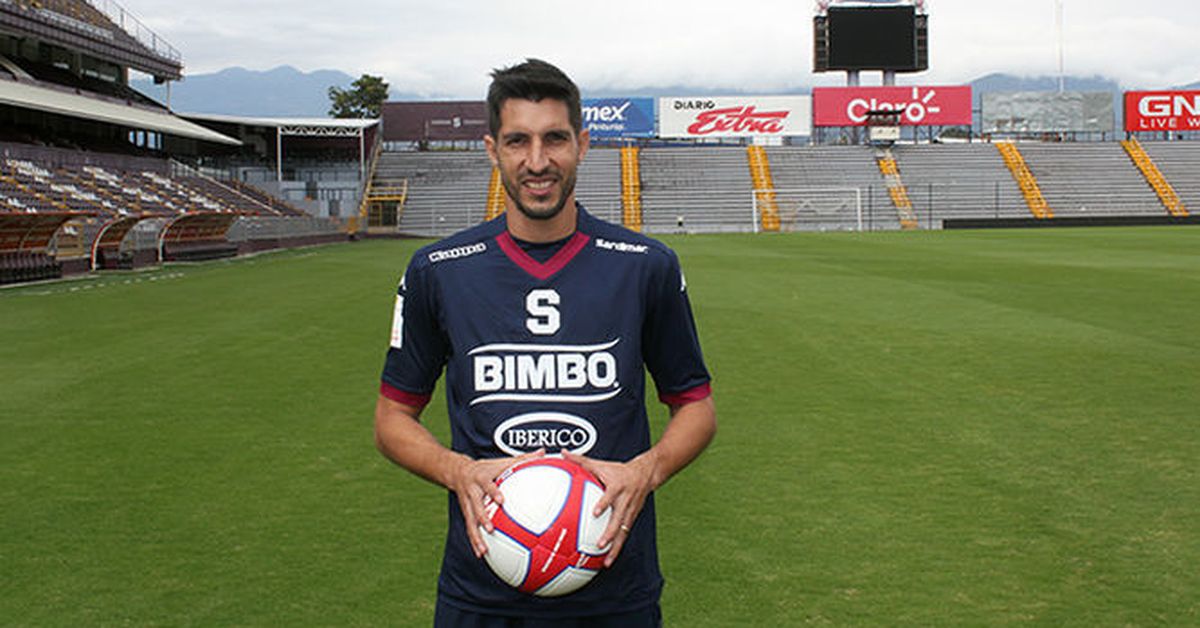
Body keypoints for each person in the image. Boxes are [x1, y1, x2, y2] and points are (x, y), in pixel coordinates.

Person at [374, 58, 716, 627]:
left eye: (555, 139)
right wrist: (457, 469)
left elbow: (696, 406)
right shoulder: (439, 270)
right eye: (518, 141)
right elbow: (392, 419)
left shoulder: (645, 267)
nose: (537, 162)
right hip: (480, 592)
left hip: (614, 591)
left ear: (582, 144)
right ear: (492, 150)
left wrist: (645, 470)